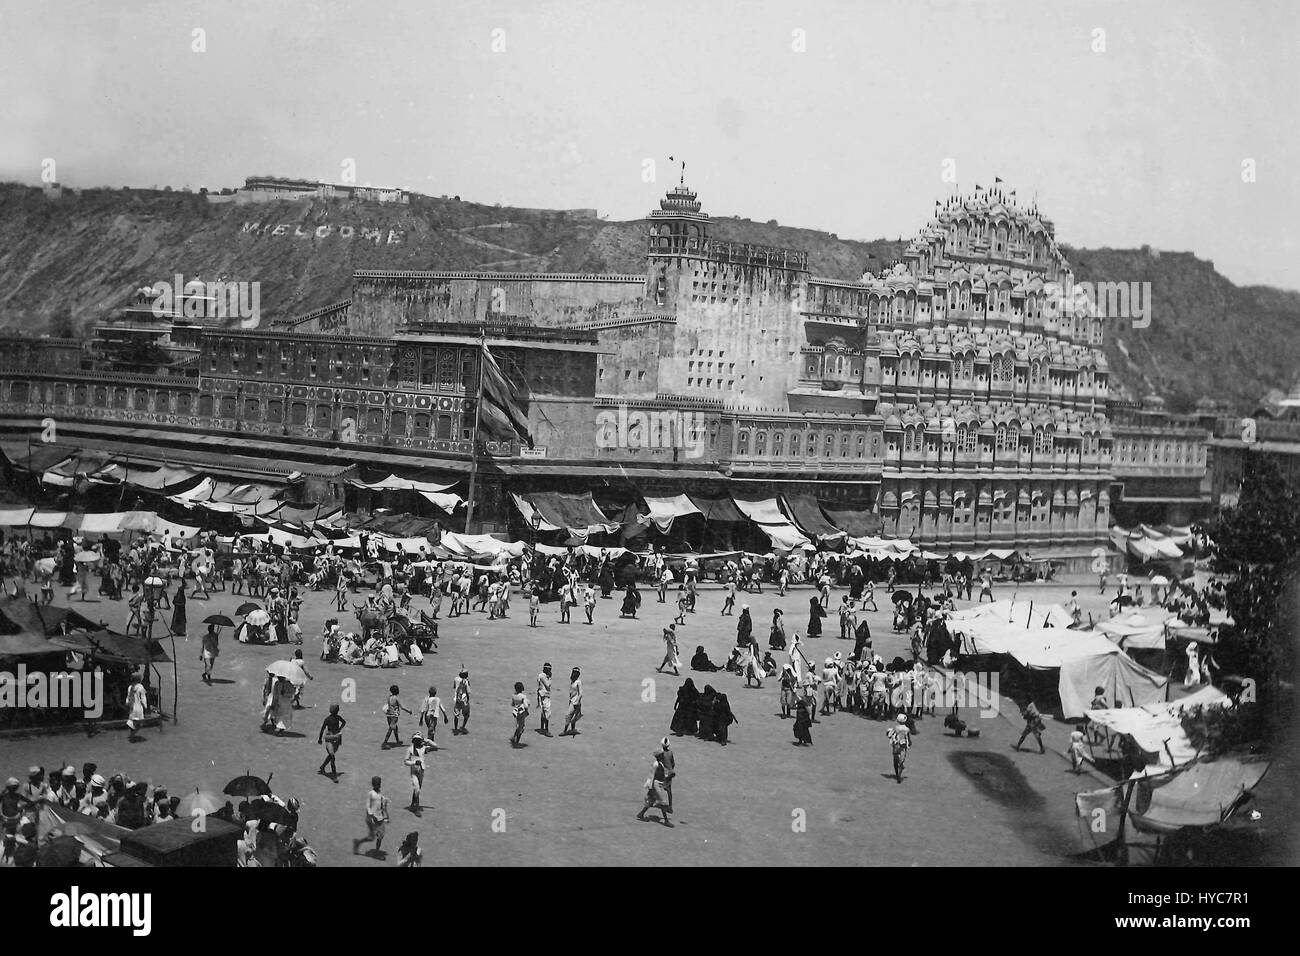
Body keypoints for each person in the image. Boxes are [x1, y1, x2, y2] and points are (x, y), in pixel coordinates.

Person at [353, 776, 390, 858]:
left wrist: (385, 801)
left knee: (380, 836)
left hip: (380, 818)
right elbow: (368, 806)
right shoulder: (370, 794)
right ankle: (359, 843)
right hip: (372, 819)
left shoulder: (380, 793)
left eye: (379, 784)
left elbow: (380, 803)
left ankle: (375, 852)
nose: (378, 785)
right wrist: (372, 816)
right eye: (376, 784)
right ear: (373, 784)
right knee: (372, 837)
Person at [318, 704, 346, 776]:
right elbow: (344, 722)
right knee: (332, 756)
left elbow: (322, 729)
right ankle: (334, 776)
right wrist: (339, 729)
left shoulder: (330, 718)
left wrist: (320, 739)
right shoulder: (332, 718)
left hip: (335, 738)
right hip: (331, 739)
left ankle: (322, 767)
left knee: (331, 755)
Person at [403, 734, 426, 811]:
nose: (417, 742)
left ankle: (413, 804)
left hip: (421, 771)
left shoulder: (423, 748)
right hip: (414, 772)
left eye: (419, 740)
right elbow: (405, 761)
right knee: (417, 789)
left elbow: (435, 745)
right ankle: (416, 808)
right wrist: (414, 763)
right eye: (416, 740)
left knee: (417, 788)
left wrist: (426, 740)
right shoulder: (410, 749)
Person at [887, 713, 911, 782]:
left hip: (896, 745)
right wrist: (909, 743)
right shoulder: (907, 729)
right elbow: (908, 738)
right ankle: (899, 775)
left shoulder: (896, 728)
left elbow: (889, 735)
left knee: (895, 759)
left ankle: (897, 774)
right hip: (903, 746)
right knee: (901, 760)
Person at [653, 738, 675, 811]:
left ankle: (659, 802)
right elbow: (673, 763)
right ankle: (670, 806)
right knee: (669, 790)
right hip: (670, 773)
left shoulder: (661, 754)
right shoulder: (670, 752)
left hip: (663, 774)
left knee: (658, 788)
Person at [560, 667, 583, 736]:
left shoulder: (578, 682)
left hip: (575, 703)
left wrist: (577, 702)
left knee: (568, 715)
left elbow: (581, 694)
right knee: (572, 716)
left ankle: (565, 731)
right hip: (571, 701)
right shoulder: (572, 681)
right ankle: (573, 730)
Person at [125, 673, 148, 743]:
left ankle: (132, 735)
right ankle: (131, 736)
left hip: (132, 707)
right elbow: (143, 697)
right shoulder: (141, 687)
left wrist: (127, 704)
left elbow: (128, 697)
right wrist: (145, 706)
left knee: (133, 722)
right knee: (140, 724)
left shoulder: (130, 687)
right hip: (138, 708)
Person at [536, 663, 554, 736]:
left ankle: (542, 728)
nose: (550, 671)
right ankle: (546, 730)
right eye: (549, 669)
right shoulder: (543, 676)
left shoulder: (542, 675)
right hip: (544, 696)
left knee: (543, 713)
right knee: (547, 713)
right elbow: (547, 686)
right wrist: (550, 678)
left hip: (543, 695)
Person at [452, 669, 471, 735]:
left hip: (457, 699)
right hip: (464, 700)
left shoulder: (456, 679)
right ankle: (463, 727)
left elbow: (454, 687)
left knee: (456, 715)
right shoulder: (466, 681)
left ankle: (455, 729)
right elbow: (468, 691)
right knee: (466, 715)